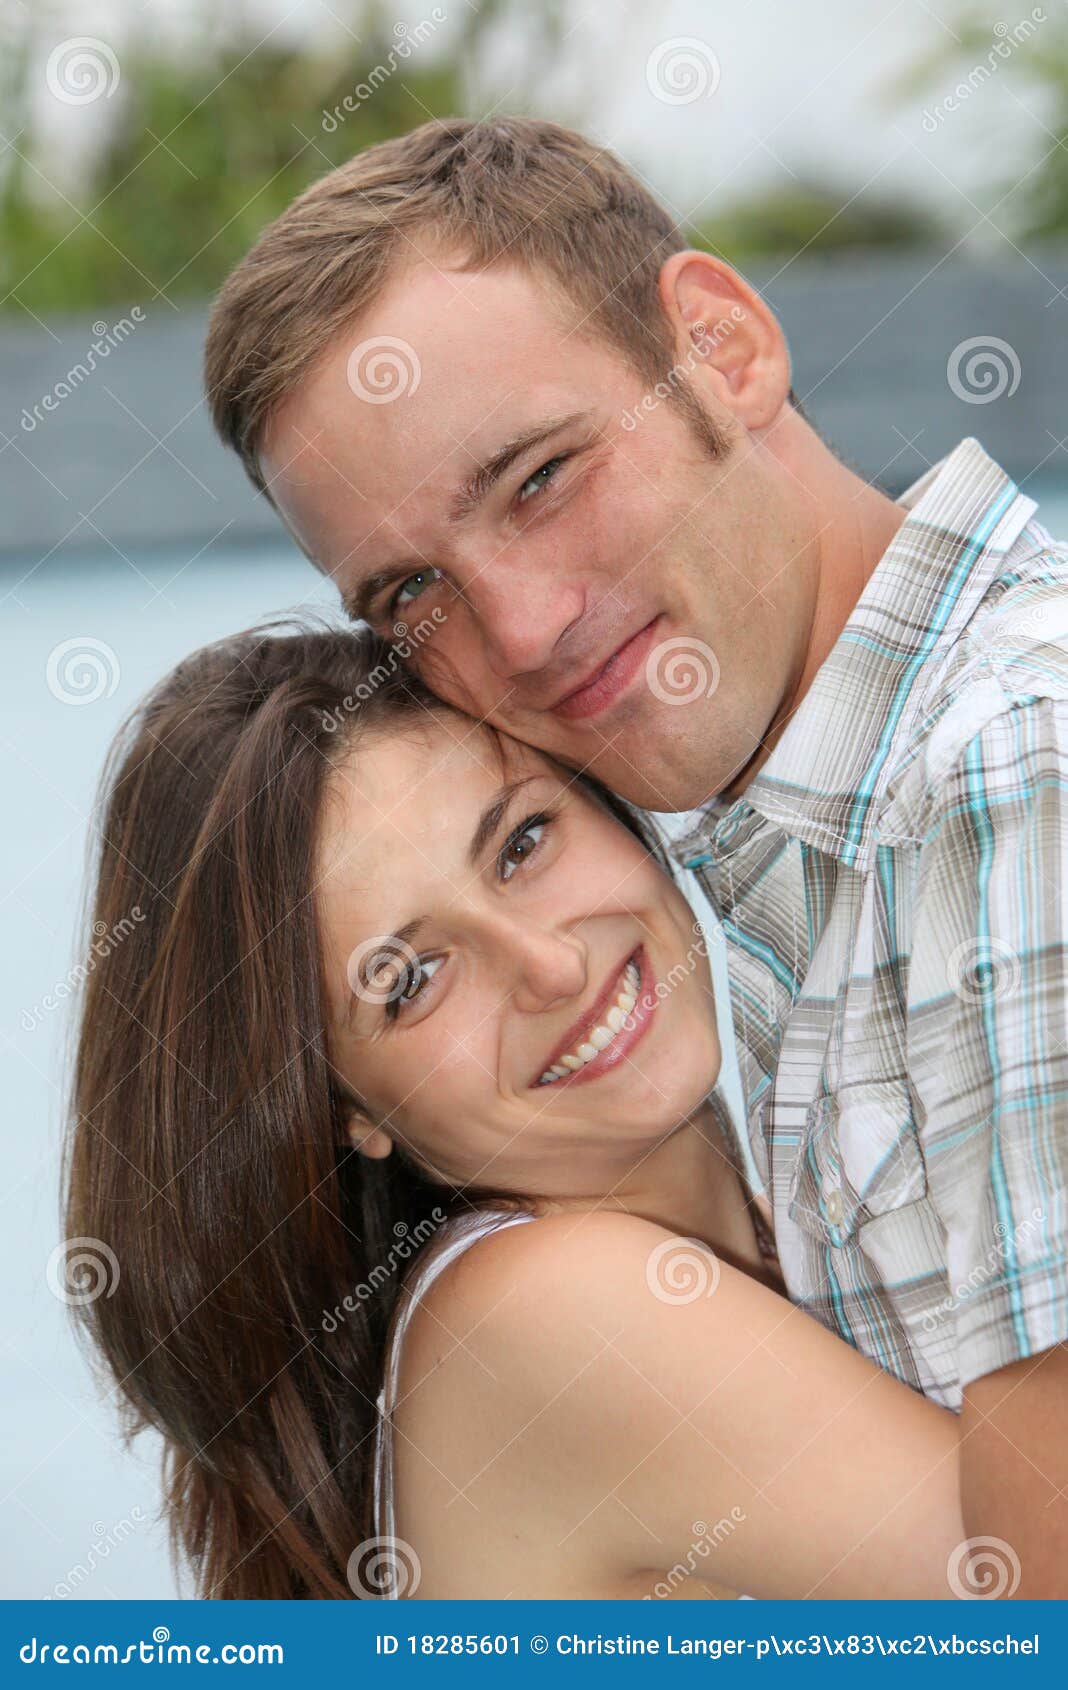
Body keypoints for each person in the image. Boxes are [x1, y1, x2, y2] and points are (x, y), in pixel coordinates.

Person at [202, 117, 1068, 1595]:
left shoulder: (1007, 774)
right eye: (415, 591)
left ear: (724, 347)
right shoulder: (828, 858)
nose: (524, 628)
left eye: (540, 476)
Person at [65, 623, 965, 1601]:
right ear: (345, 1111)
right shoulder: (549, 1311)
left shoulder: (739, 1230)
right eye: (410, 977)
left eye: (522, 843)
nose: (551, 965)